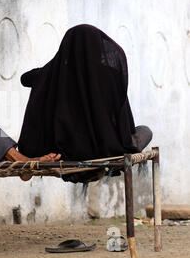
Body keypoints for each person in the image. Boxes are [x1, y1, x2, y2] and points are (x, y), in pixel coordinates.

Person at [17, 24, 152, 182]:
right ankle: (96, 167)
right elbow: (123, 117)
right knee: (145, 131)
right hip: (105, 151)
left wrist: (51, 69)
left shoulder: (54, 75)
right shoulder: (105, 77)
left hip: (58, 152)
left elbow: (25, 78)